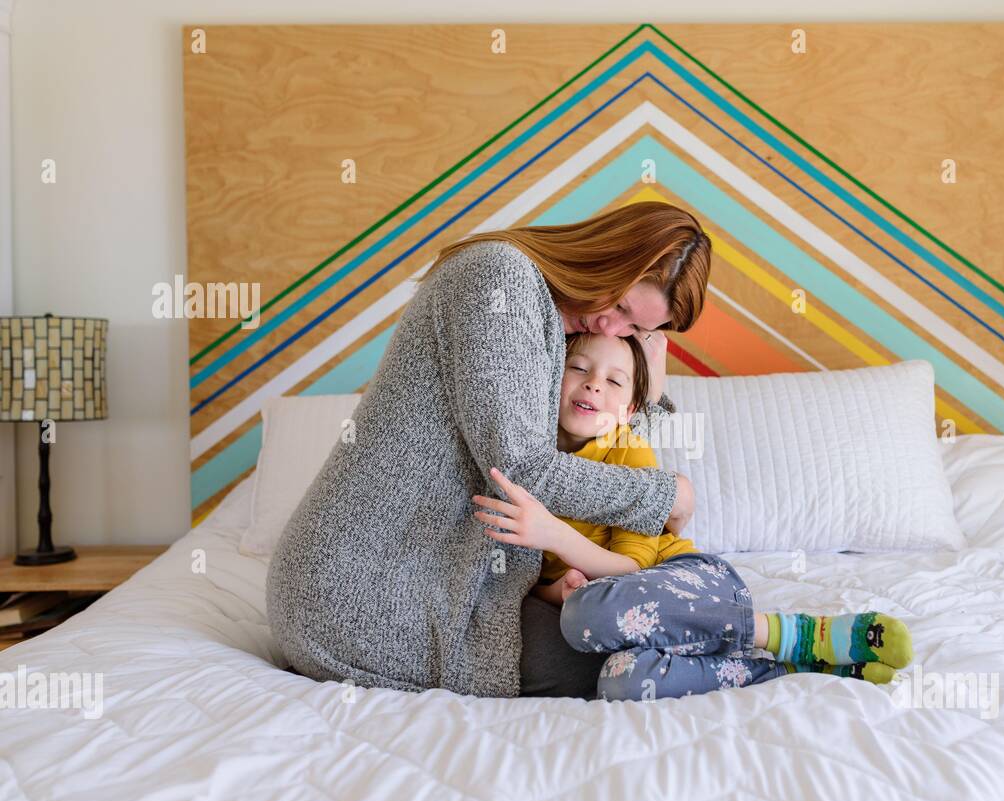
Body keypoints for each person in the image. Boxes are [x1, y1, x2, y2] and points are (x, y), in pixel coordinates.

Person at [266, 201, 707, 697]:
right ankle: (770, 656)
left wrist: (649, 390)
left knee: (647, 635)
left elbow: (601, 430)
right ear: (605, 254)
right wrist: (668, 497)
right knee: (628, 660)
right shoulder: (497, 281)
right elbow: (522, 468)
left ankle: (770, 641)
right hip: (361, 588)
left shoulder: (557, 318)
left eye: (634, 329)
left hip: (441, 575)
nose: (610, 329)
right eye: (621, 306)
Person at [471, 330, 914, 702]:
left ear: (628, 412)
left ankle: (785, 633)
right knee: (620, 682)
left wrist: (553, 536)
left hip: (687, 583)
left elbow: (634, 566)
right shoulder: (527, 460)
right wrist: (560, 591)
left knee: (586, 615)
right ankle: (793, 672)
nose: (593, 385)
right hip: (618, 622)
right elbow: (540, 581)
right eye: (579, 369)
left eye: (613, 380)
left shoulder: (628, 450)